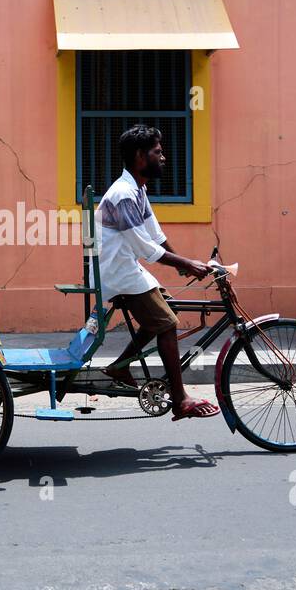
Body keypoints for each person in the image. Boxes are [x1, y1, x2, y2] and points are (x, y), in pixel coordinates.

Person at [96, 125, 220, 420]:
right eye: (158, 152)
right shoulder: (124, 194)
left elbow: (155, 232)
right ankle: (180, 399)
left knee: (164, 309)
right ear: (140, 156)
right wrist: (186, 263)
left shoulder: (138, 189)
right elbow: (143, 247)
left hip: (125, 267)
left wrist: (180, 263)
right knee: (166, 324)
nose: (163, 157)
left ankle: (120, 365)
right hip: (117, 272)